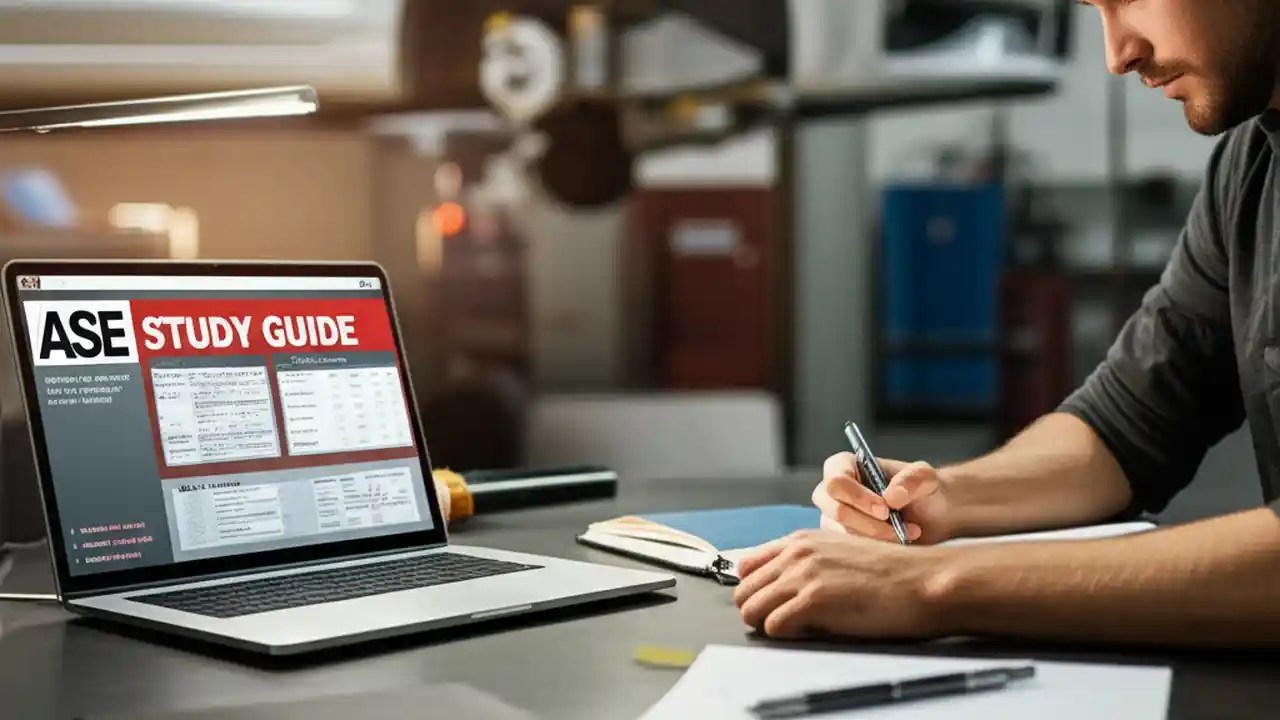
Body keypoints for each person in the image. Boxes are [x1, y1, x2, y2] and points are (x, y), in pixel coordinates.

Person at [734, 0, 1280, 647]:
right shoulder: (1251, 162)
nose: (1117, 55)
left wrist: (933, 585)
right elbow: (1126, 426)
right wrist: (943, 499)